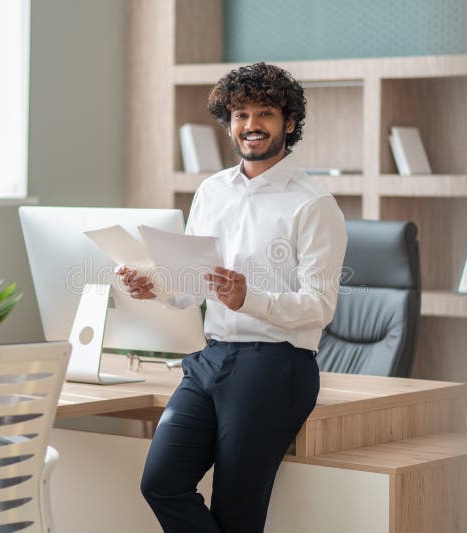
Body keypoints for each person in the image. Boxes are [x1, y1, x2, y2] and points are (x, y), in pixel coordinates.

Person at [118, 62, 347, 533]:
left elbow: (319, 307)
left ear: (289, 122)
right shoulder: (211, 191)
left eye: (265, 113)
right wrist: (155, 286)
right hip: (211, 358)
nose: (252, 125)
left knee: (236, 511)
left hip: (275, 366)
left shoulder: (313, 203)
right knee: (160, 483)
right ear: (228, 123)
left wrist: (250, 298)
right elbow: (193, 285)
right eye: (240, 114)